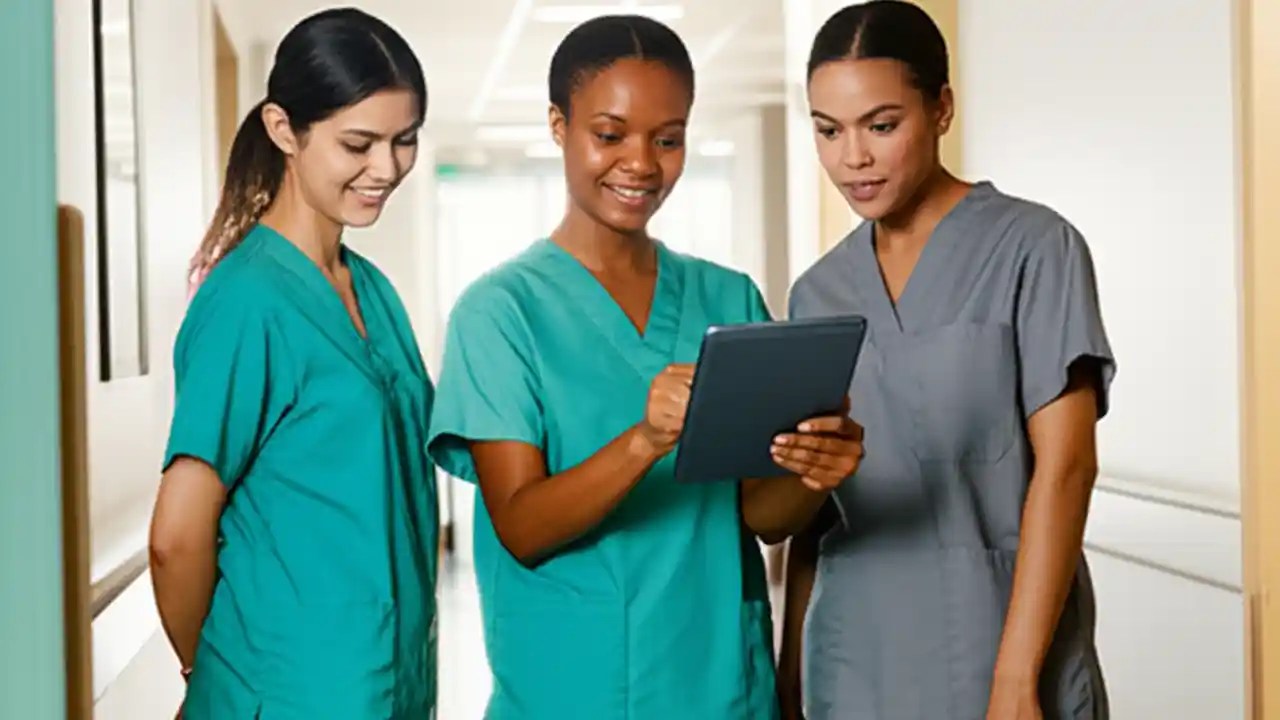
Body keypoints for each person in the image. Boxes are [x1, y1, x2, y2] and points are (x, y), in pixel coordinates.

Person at [427, 14, 864, 719]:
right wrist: (644, 441)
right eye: (609, 135)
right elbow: (521, 525)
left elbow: (761, 514)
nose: (642, 163)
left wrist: (816, 469)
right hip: (570, 692)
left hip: (722, 687)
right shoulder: (500, 312)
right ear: (557, 125)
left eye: (669, 138)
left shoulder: (728, 297)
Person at [776, 2, 1117, 719]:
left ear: (942, 110)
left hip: (1006, 650)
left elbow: (1067, 469)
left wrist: (1016, 680)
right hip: (852, 660)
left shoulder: (1036, 248)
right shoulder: (818, 293)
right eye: (828, 130)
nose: (853, 158)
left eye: (882, 124)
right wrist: (790, 680)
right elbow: (812, 513)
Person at [148, 9, 438, 719]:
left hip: (388, 684)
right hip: (284, 690)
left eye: (404, 141)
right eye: (358, 143)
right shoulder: (246, 301)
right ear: (284, 131)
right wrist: (216, 669)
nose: (387, 168)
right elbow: (175, 538)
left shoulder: (372, 291)